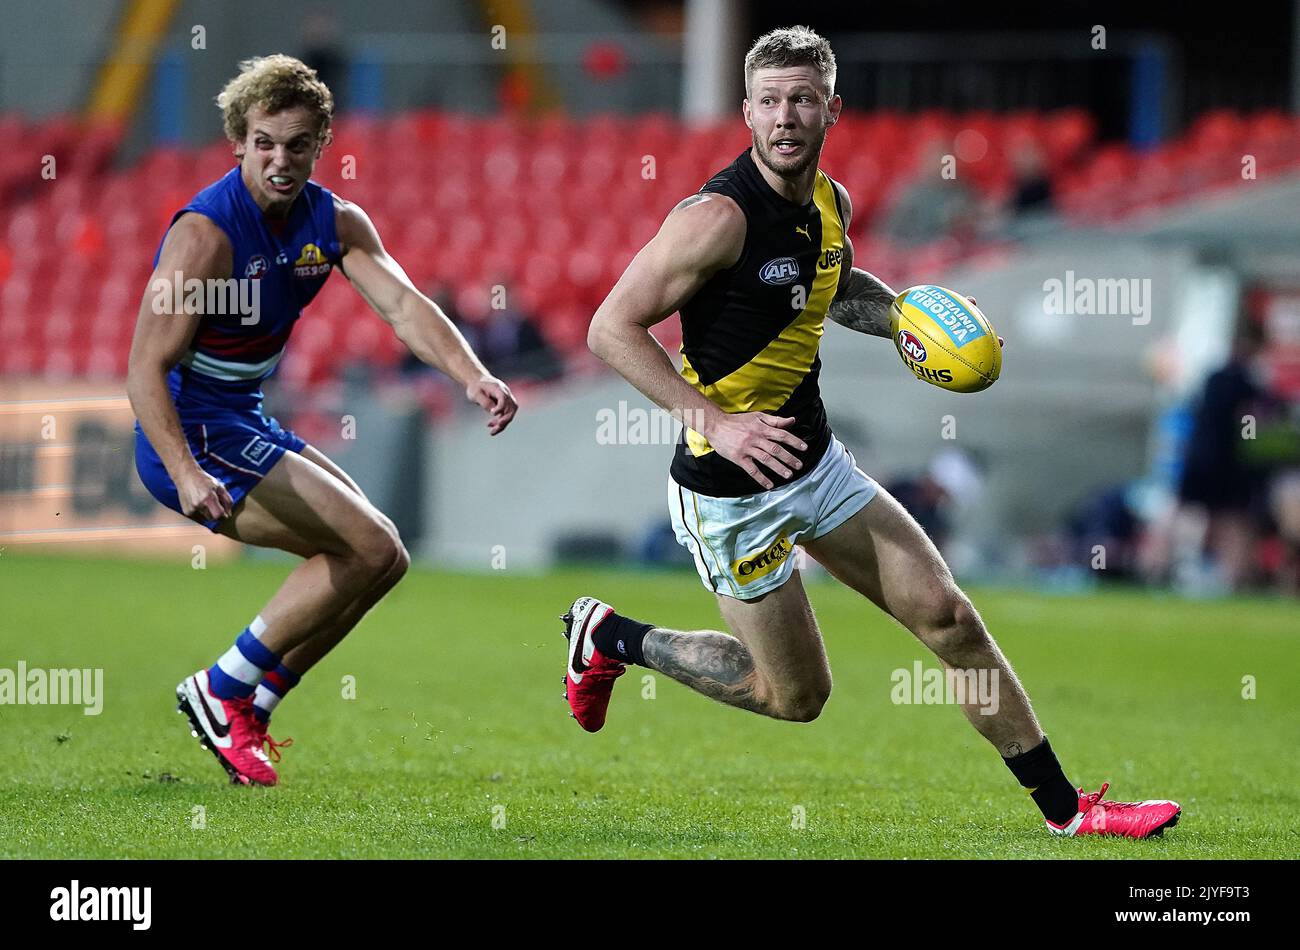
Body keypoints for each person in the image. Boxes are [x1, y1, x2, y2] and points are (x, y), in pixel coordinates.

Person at [563, 26, 1180, 839]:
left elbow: (831, 281)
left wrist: (900, 319)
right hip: (728, 490)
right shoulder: (715, 219)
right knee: (795, 698)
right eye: (771, 101)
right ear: (746, 111)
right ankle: (612, 637)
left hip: (816, 465)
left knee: (950, 618)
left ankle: (1070, 815)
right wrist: (714, 422)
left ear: (832, 109)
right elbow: (610, 328)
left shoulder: (832, 203)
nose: (787, 117)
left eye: (804, 100)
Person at [128, 55, 517, 786]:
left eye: (298, 144)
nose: (281, 159)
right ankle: (221, 688)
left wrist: (474, 374)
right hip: (193, 431)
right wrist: (184, 470)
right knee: (365, 546)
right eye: (265, 142)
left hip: (243, 418)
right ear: (237, 143)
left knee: (387, 559)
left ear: (321, 144)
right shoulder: (205, 237)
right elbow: (142, 368)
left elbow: (403, 304)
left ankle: (255, 704)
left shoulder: (334, 221)